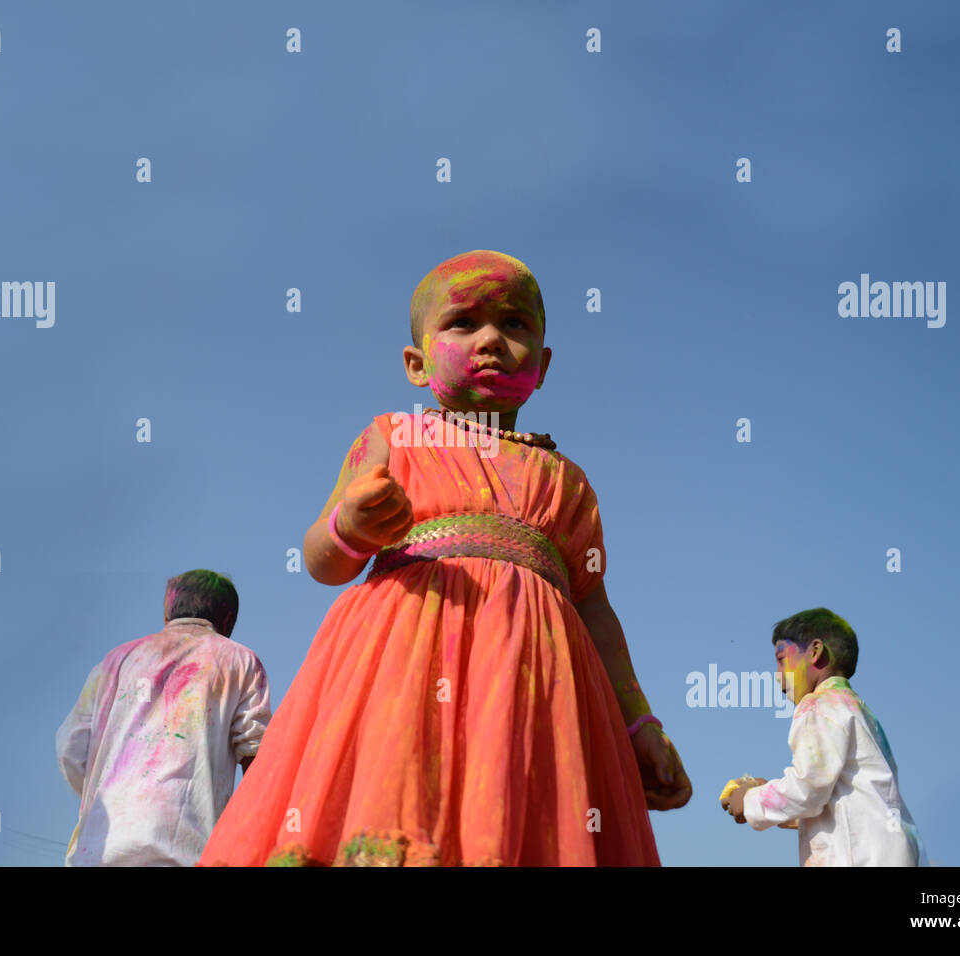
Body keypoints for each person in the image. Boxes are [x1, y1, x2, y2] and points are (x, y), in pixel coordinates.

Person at [198, 250, 691, 867]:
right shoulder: (392, 437)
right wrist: (349, 527)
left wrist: (639, 725)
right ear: (416, 363)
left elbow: (595, 608)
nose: (491, 339)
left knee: (517, 815)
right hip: (402, 667)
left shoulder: (568, 482)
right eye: (463, 323)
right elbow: (322, 561)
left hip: (535, 687)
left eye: (515, 324)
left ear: (542, 366)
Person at [56, 569, 271, 865]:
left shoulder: (114, 661)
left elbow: (70, 748)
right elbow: (256, 754)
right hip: (184, 851)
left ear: (167, 614)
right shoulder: (240, 660)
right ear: (228, 620)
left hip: (98, 851)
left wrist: (113, 793)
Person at [721, 608, 927, 866]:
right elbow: (830, 802)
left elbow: (809, 788)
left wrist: (750, 800)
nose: (777, 675)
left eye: (782, 659)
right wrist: (768, 791)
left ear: (815, 652)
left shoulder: (819, 706)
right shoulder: (856, 711)